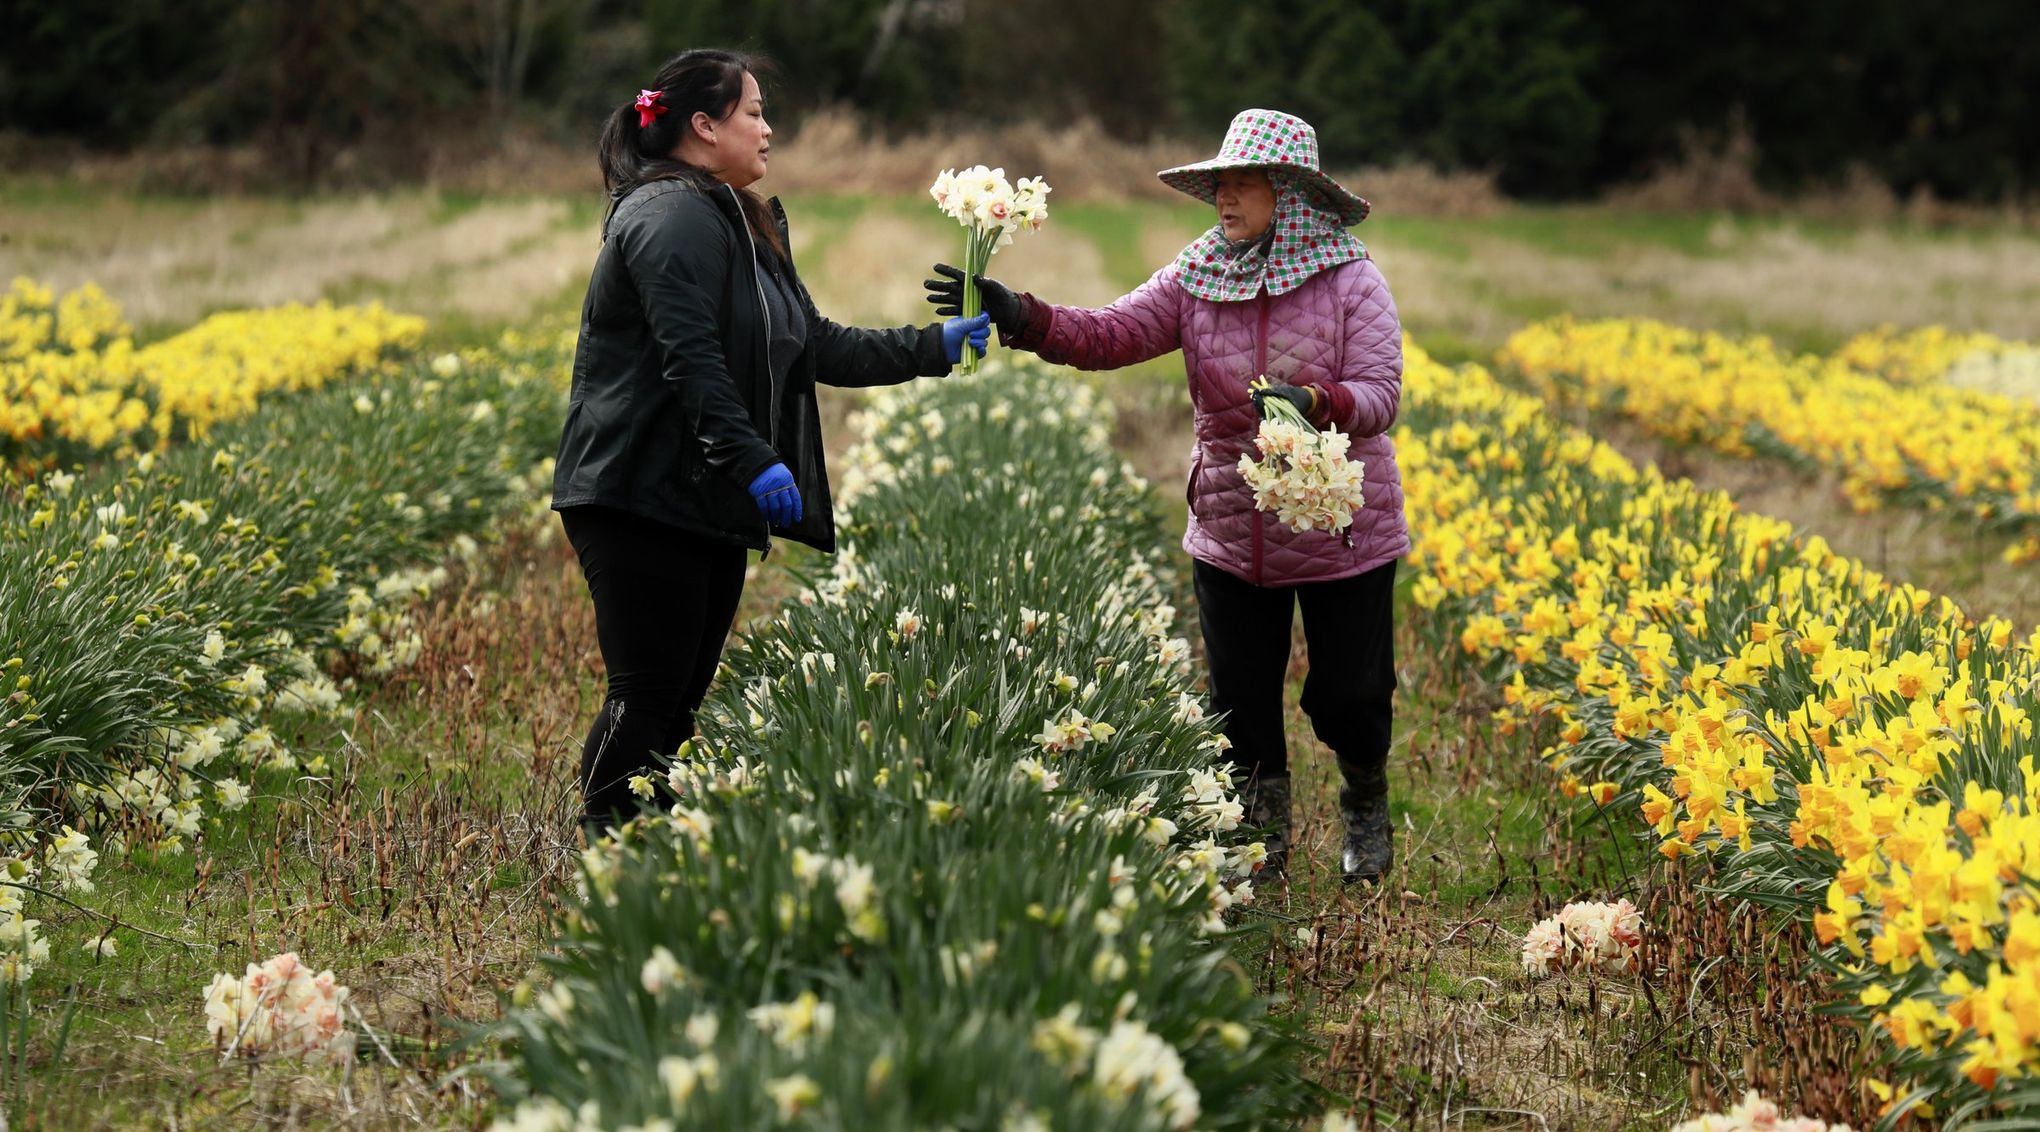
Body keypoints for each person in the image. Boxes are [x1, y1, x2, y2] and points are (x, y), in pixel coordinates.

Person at [928, 109, 1406, 885]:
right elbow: (1110, 333)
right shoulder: (1199, 272)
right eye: (1218, 183)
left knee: (1350, 697)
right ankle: (1261, 838)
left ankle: (1365, 800)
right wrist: (1019, 314)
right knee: (1239, 704)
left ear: (1289, 192)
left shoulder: (1352, 278)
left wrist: (1318, 403)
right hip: (1232, 522)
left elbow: (1380, 394)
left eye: (1242, 183)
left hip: (1340, 527)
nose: (1223, 197)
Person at [553, 49, 990, 835]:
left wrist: (933, 346)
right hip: (636, 488)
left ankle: (640, 842)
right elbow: (691, 360)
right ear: (703, 125)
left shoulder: (737, 218)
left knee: (681, 695)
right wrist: (754, 458)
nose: (768, 128)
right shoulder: (668, 216)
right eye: (753, 111)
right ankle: (599, 841)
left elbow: (813, 343)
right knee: (648, 691)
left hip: (699, 491)